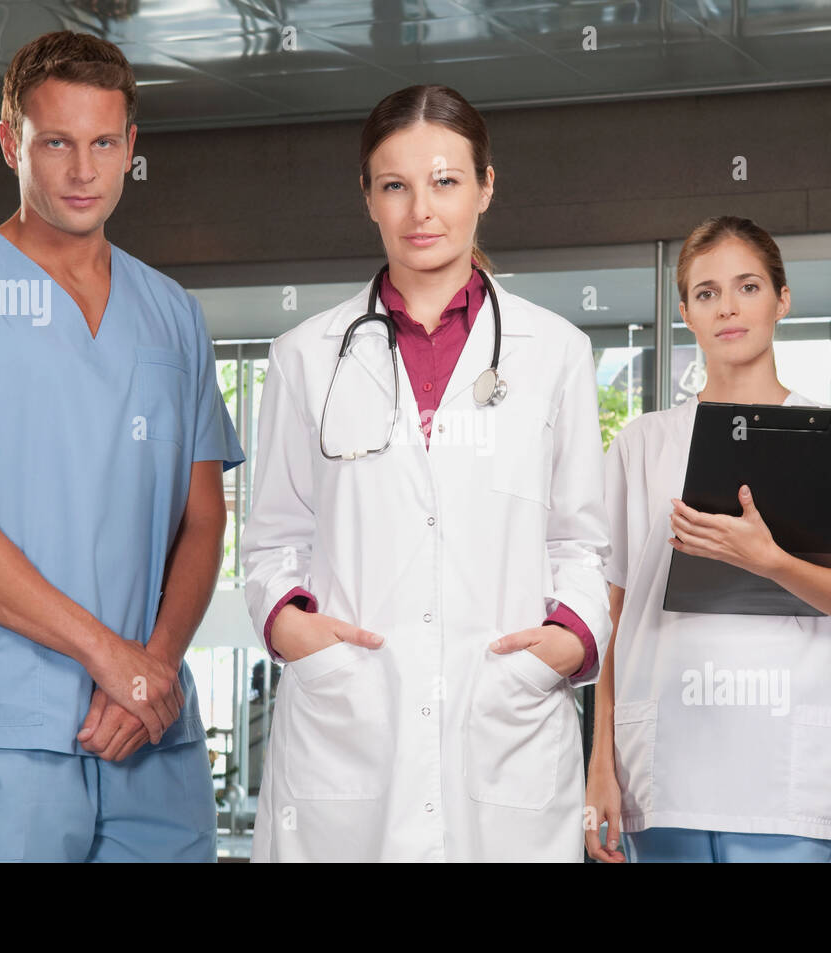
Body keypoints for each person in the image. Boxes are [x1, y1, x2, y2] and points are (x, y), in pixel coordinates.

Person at [0, 31, 244, 862]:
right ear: (10, 142)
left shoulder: (171, 311)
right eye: (55, 142)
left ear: (130, 148)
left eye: (104, 143)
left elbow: (203, 518)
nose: (81, 169)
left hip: (152, 736)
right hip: (6, 733)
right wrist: (112, 659)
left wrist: (154, 671)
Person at [241, 84, 611, 862]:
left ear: (486, 186)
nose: (421, 210)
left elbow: (582, 542)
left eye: (445, 181)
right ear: (368, 198)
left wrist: (567, 641)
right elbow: (274, 537)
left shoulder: (555, 352)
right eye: (395, 185)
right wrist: (295, 629)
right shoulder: (305, 355)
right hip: (351, 726)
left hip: (503, 716)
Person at [585, 215, 831, 863]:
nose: (729, 308)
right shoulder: (641, 445)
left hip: (789, 785)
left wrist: (771, 560)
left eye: (747, 286)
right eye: (708, 292)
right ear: (686, 311)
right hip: (666, 779)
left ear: (782, 299)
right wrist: (599, 766)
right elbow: (612, 618)